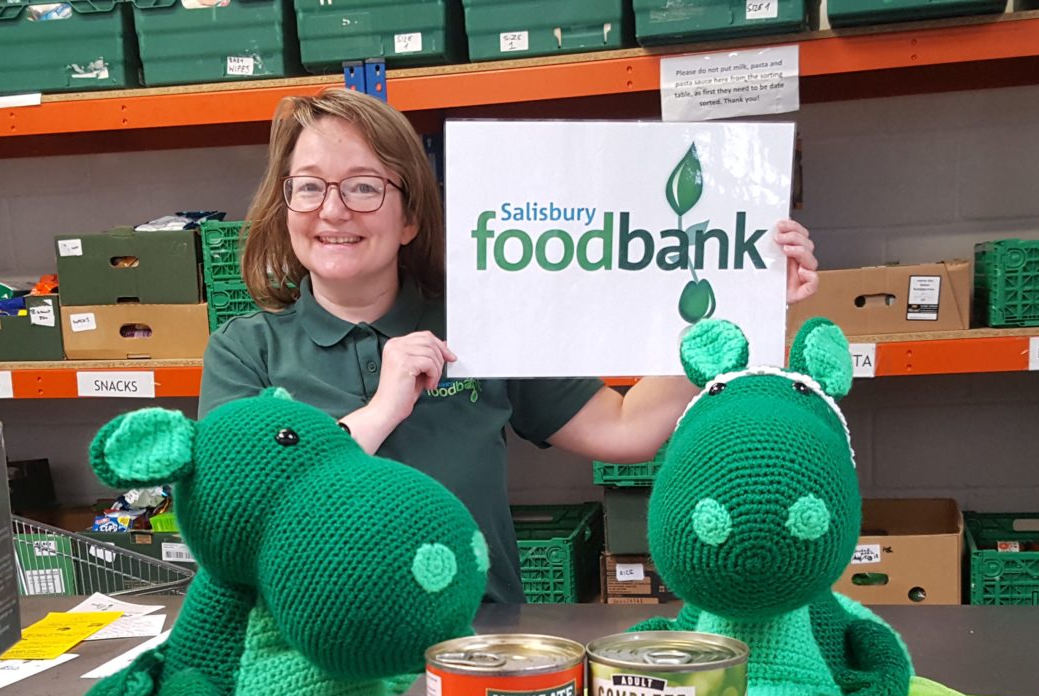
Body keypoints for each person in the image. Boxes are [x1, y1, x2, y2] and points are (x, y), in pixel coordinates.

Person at [200, 88, 818, 603]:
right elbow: (237, 513)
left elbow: (624, 430)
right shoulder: (245, 352)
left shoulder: (480, 326)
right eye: (308, 187)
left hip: (474, 640)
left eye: (364, 187)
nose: (332, 210)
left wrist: (744, 303)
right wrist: (381, 411)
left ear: (410, 216)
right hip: (311, 658)